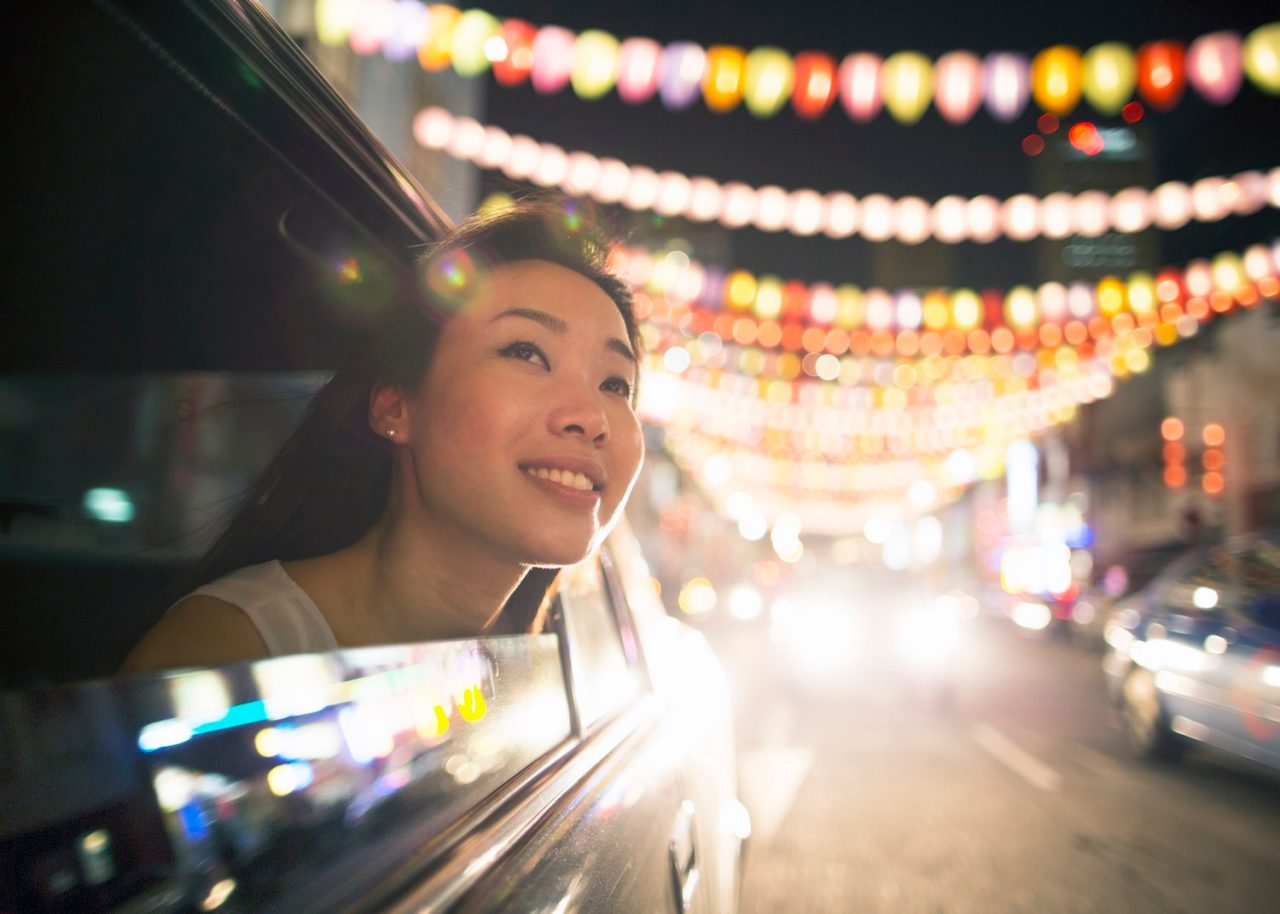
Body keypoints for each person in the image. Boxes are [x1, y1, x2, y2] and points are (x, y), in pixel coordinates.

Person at [123, 197, 644, 673]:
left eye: (615, 383)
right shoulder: (226, 654)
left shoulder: (543, 666)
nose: (591, 416)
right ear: (395, 406)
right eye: (527, 353)